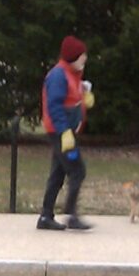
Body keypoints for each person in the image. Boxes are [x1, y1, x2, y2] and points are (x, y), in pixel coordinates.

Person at [37, 35, 95, 232]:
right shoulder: (58, 76)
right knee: (77, 170)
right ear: (73, 57)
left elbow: (72, 99)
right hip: (61, 134)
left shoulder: (73, 74)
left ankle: (45, 216)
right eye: (82, 55)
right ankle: (71, 215)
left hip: (67, 133)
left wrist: (85, 99)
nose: (85, 58)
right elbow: (54, 107)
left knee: (58, 173)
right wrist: (64, 133)